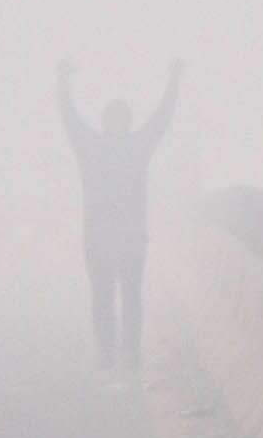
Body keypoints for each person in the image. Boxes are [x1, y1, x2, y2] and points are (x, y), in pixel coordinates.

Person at [61, 59, 181, 377]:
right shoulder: (103, 147)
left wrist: (174, 81)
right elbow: (70, 119)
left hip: (122, 238)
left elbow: (161, 119)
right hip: (106, 238)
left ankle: (125, 352)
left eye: (120, 119)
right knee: (107, 296)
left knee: (126, 295)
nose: (118, 124)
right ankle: (110, 352)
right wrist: (63, 83)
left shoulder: (122, 147)